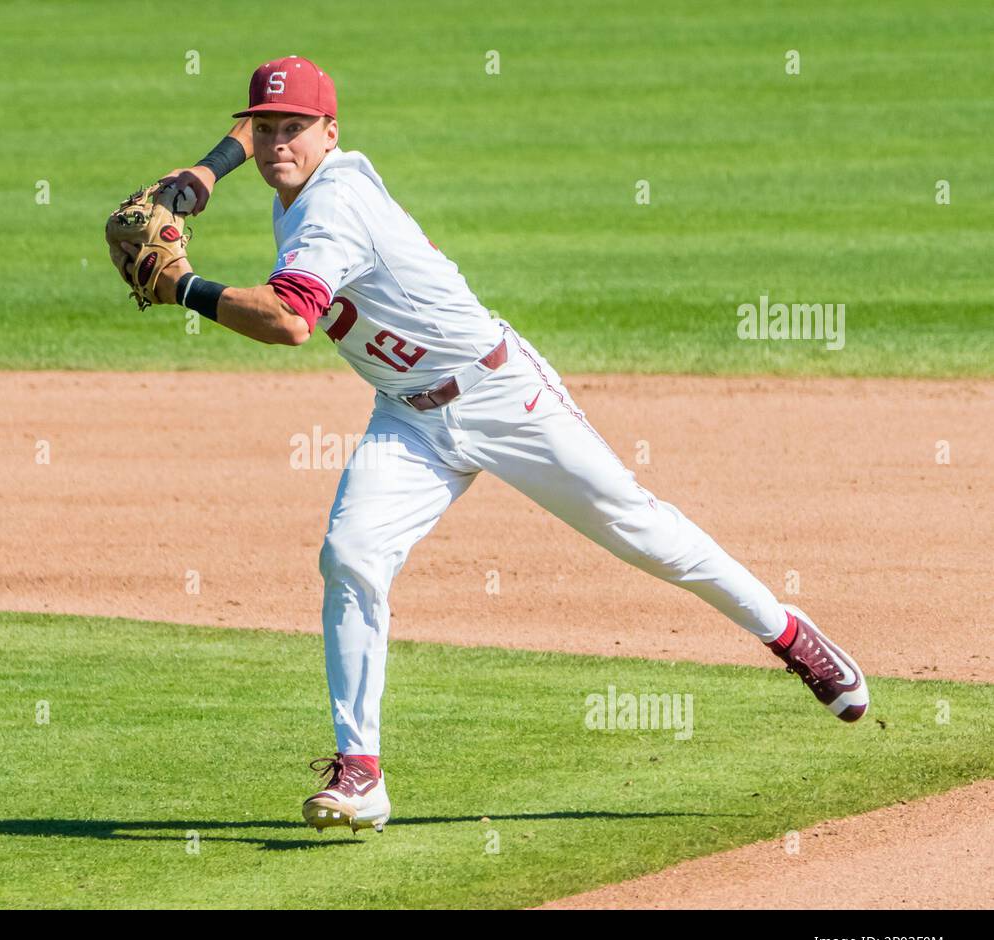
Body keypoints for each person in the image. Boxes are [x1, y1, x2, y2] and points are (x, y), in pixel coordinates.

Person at [119, 55, 869, 835]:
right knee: (350, 555)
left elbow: (288, 321)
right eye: (269, 128)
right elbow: (251, 129)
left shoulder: (333, 206)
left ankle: (786, 631)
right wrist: (199, 178)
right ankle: (360, 772)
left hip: (503, 396)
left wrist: (181, 287)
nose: (277, 142)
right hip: (408, 418)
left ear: (330, 134)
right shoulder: (297, 165)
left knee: (639, 529)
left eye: (296, 130)